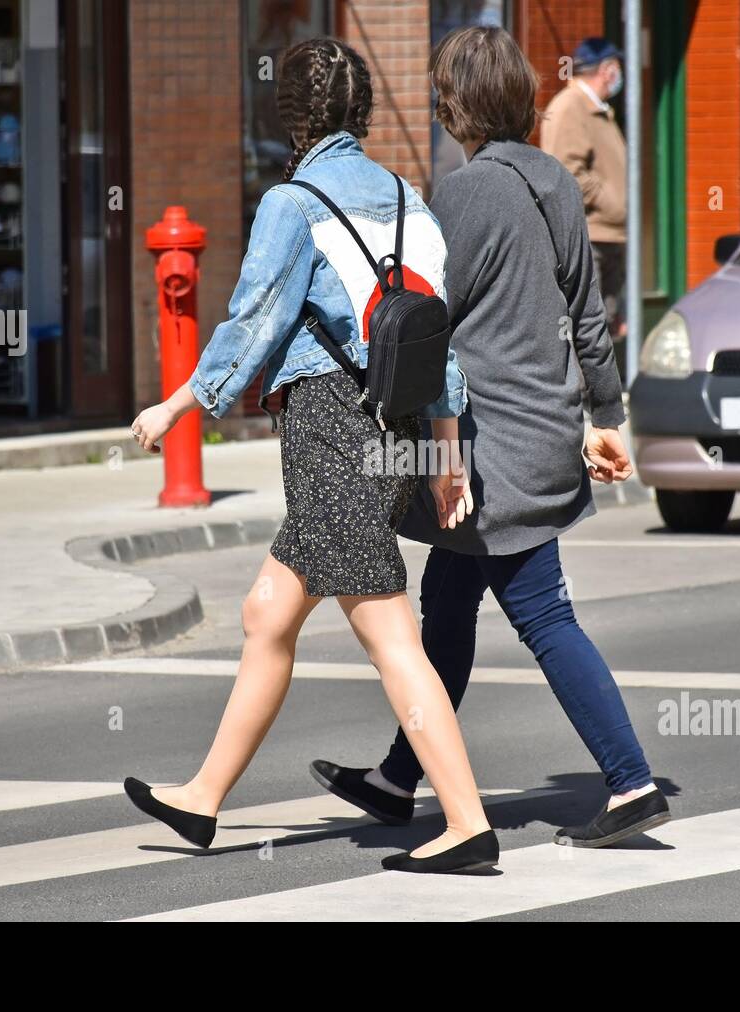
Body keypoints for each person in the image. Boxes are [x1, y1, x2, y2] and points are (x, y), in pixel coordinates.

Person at [124, 38, 497, 875]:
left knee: (390, 635)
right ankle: (202, 798)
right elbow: (439, 344)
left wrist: (178, 405)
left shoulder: (293, 203)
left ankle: (467, 821)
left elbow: (254, 322)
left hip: (333, 433)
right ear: (360, 112)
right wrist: (446, 458)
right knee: (268, 611)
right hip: (397, 432)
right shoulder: (407, 199)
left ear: (291, 116)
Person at [311, 26, 670, 849]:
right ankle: (399, 777)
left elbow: (427, 317)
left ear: (454, 106)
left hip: (489, 451)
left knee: (542, 613)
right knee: (448, 600)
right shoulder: (554, 181)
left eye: (442, 95)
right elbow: (587, 315)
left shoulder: (466, 194)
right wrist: (606, 417)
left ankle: (631, 781)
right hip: (543, 433)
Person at [540, 37, 629, 375]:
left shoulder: (598, 109)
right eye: (617, 67)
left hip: (610, 234)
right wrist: (611, 202)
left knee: (605, 321)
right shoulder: (570, 107)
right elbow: (567, 172)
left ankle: (601, 393)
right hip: (592, 235)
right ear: (607, 70)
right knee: (588, 327)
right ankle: (584, 396)